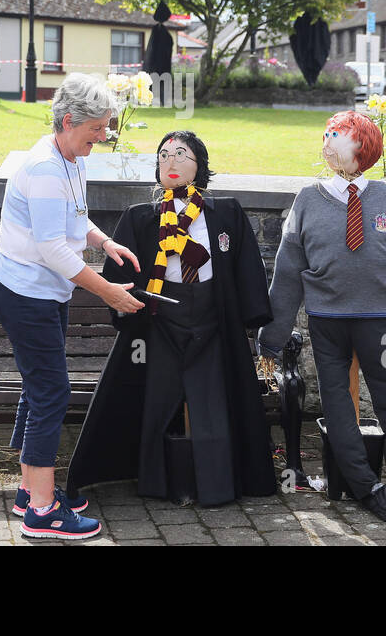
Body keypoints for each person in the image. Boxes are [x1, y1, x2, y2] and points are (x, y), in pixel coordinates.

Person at [67, 130, 277, 506]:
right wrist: (126, 305)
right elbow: (119, 274)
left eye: (181, 154)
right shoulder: (141, 218)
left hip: (212, 320)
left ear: (200, 165)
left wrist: (251, 316)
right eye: (163, 155)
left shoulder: (225, 212)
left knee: (213, 403)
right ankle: (158, 483)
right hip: (159, 321)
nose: (171, 162)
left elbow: (246, 266)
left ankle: (216, 486)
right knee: (158, 401)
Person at [258, 110, 386, 525]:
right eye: (325, 134)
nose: (327, 141)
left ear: (363, 144)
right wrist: (271, 339)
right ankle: (366, 487)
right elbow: (287, 272)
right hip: (327, 321)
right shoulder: (307, 199)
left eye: (337, 134)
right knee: (339, 406)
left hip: (380, 321)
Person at [0, 72, 144, 540]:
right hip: (24, 292)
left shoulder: (69, 156)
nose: (105, 135)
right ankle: (42, 511)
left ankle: (27, 490)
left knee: (40, 388)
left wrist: (104, 240)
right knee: (52, 393)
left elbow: (73, 217)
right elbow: (54, 249)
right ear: (69, 120)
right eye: (98, 127)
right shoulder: (44, 169)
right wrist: (109, 292)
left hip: (42, 291)